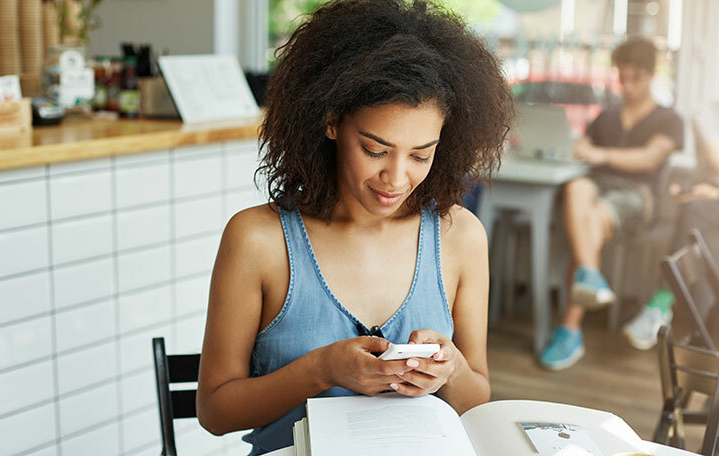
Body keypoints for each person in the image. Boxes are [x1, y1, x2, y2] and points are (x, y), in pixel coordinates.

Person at [195, 1, 513, 454]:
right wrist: (322, 370)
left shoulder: (459, 236)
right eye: (375, 149)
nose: (397, 177)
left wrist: (451, 371)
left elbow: (475, 398)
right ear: (331, 122)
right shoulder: (258, 240)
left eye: (421, 154)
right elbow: (214, 412)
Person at [539, 36, 684, 370]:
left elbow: (649, 159)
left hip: (637, 197)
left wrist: (600, 153)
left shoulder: (669, 119)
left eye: (636, 78)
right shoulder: (607, 116)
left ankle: (570, 328)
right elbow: (581, 147)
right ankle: (589, 275)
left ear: (651, 75)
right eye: (624, 77)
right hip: (595, 188)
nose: (628, 86)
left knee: (590, 217)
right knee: (576, 187)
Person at [623, 44, 719, 350]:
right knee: (704, 238)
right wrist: (716, 192)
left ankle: (661, 304)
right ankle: (698, 339)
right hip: (714, 215)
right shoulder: (707, 114)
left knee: (700, 211)